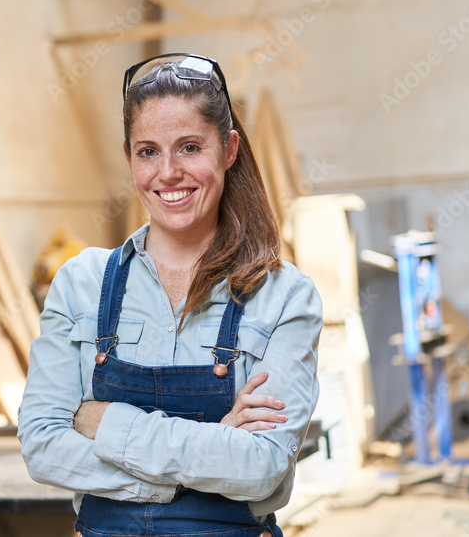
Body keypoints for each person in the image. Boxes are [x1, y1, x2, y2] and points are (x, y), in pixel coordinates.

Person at [17, 53, 322, 537]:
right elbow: (42, 446)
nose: (168, 172)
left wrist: (108, 423)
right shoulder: (81, 284)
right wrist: (213, 447)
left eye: (190, 148)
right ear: (129, 157)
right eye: (148, 151)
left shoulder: (283, 296)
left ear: (229, 150)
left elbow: (261, 466)